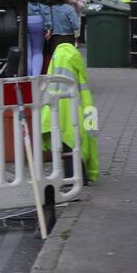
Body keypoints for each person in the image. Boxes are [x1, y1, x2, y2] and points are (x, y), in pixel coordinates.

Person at [41, 42, 98, 183]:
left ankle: (73, 176)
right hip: (82, 108)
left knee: (68, 143)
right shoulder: (75, 60)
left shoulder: (56, 61)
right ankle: (85, 173)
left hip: (60, 110)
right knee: (83, 140)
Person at [45, 0, 83, 66]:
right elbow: (76, 26)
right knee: (67, 59)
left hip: (55, 37)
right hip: (68, 37)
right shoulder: (69, 9)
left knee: (55, 59)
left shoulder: (51, 8)